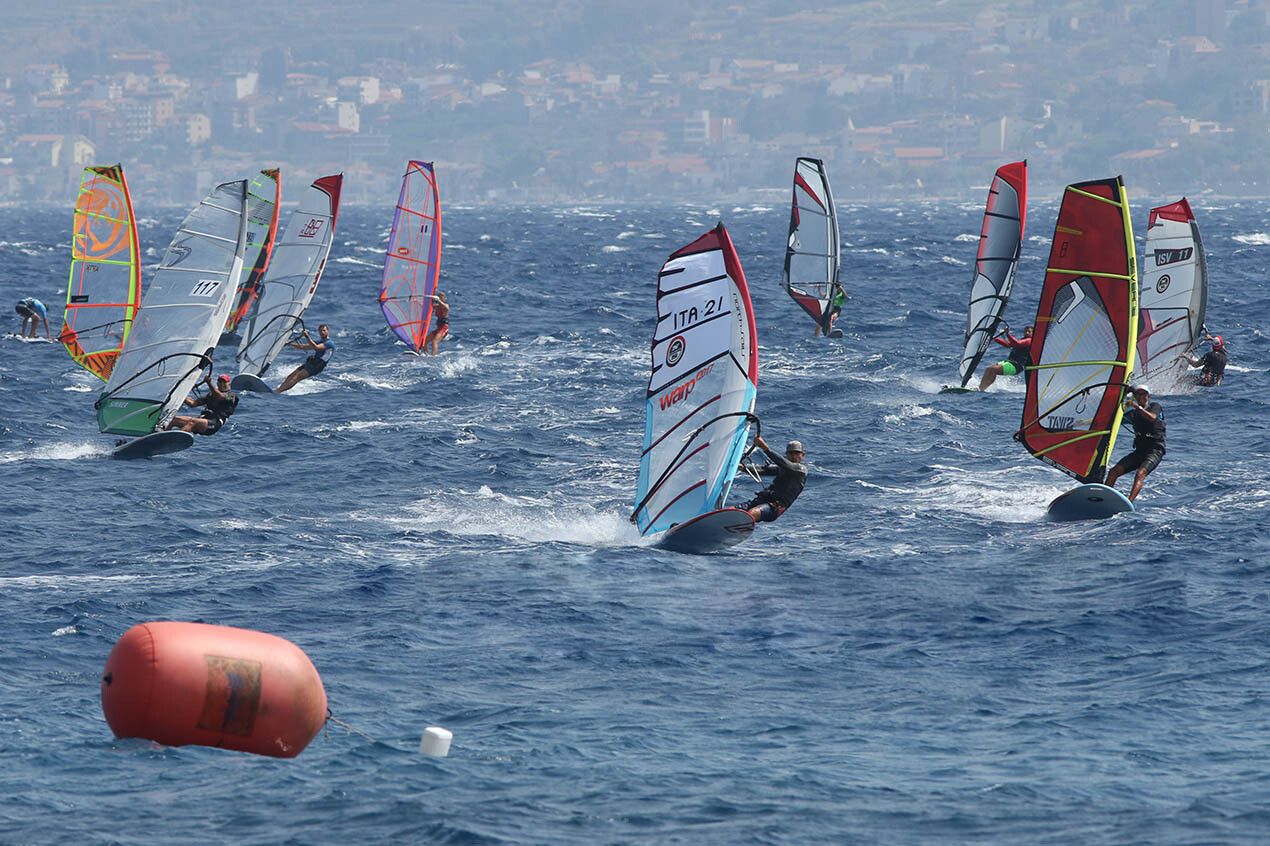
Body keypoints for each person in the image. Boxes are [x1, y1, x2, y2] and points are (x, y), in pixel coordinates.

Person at [1104, 384, 1165, 502]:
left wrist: (1136, 407)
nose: (1141, 396)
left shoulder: (1155, 407)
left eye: (1144, 394)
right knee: (1113, 472)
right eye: (1138, 394)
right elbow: (1112, 420)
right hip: (1139, 452)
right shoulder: (1133, 415)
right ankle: (1104, 498)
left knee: (1140, 473)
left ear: (1148, 395)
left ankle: (1128, 502)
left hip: (1155, 451)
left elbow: (1152, 418)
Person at [739, 436, 808, 523]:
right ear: (787, 454)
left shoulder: (801, 470)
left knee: (752, 513)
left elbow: (785, 464)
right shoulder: (782, 468)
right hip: (762, 500)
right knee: (733, 510)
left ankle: (737, 529)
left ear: (802, 455)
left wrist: (765, 448)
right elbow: (763, 470)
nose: (794, 456)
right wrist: (743, 468)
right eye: (791, 453)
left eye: (797, 453)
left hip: (774, 508)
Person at [166, 374, 239, 436]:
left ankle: (175, 439)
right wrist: (180, 393)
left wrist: (209, 383)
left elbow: (220, 397)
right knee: (173, 419)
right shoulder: (211, 395)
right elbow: (193, 403)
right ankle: (162, 436)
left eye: (224, 382)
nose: (221, 383)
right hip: (203, 420)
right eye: (219, 381)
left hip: (214, 423)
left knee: (193, 422)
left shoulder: (232, 395)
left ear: (229, 384)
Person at [276, 323, 335, 393]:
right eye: (320, 331)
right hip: (312, 362)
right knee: (290, 376)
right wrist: (289, 344)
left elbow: (317, 347)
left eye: (324, 330)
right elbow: (303, 347)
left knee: (297, 377)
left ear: (328, 331)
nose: (322, 332)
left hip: (317, 366)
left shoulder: (329, 343)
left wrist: (307, 337)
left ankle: (278, 391)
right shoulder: (319, 342)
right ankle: (279, 389)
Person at [979, 325, 1033, 392]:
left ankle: (981, 389)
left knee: (992, 370)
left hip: (1016, 366)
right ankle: (981, 387)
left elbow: (1016, 343)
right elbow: (1008, 345)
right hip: (1009, 362)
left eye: (1029, 332)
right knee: (988, 369)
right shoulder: (1023, 340)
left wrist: (1008, 334)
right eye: (1025, 331)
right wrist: (994, 339)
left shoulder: (1030, 341)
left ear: (1033, 333)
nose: (1027, 333)